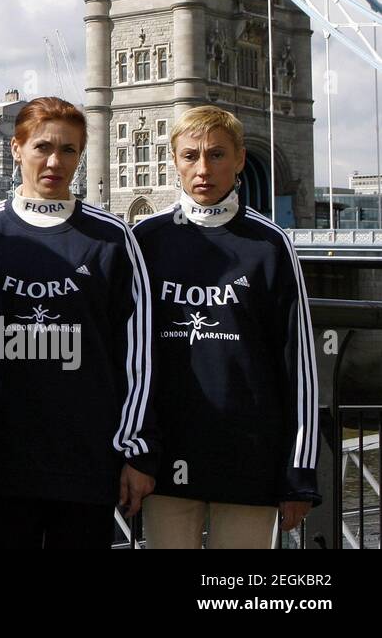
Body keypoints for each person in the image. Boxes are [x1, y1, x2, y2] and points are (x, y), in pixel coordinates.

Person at [0, 96, 156, 548]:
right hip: (2, 460)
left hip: (87, 460)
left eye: (69, 150)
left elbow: (139, 355)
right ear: (17, 148)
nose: (56, 161)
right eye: (42, 147)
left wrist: (138, 452)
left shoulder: (112, 238)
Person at [132, 105, 319, 548]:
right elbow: (128, 357)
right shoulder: (145, 240)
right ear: (173, 161)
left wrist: (299, 474)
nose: (203, 169)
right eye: (190, 155)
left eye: (217, 155)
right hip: (165, 455)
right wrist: (133, 449)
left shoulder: (270, 244)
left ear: (239, 160)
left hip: (249, 454)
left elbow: (299, 363)